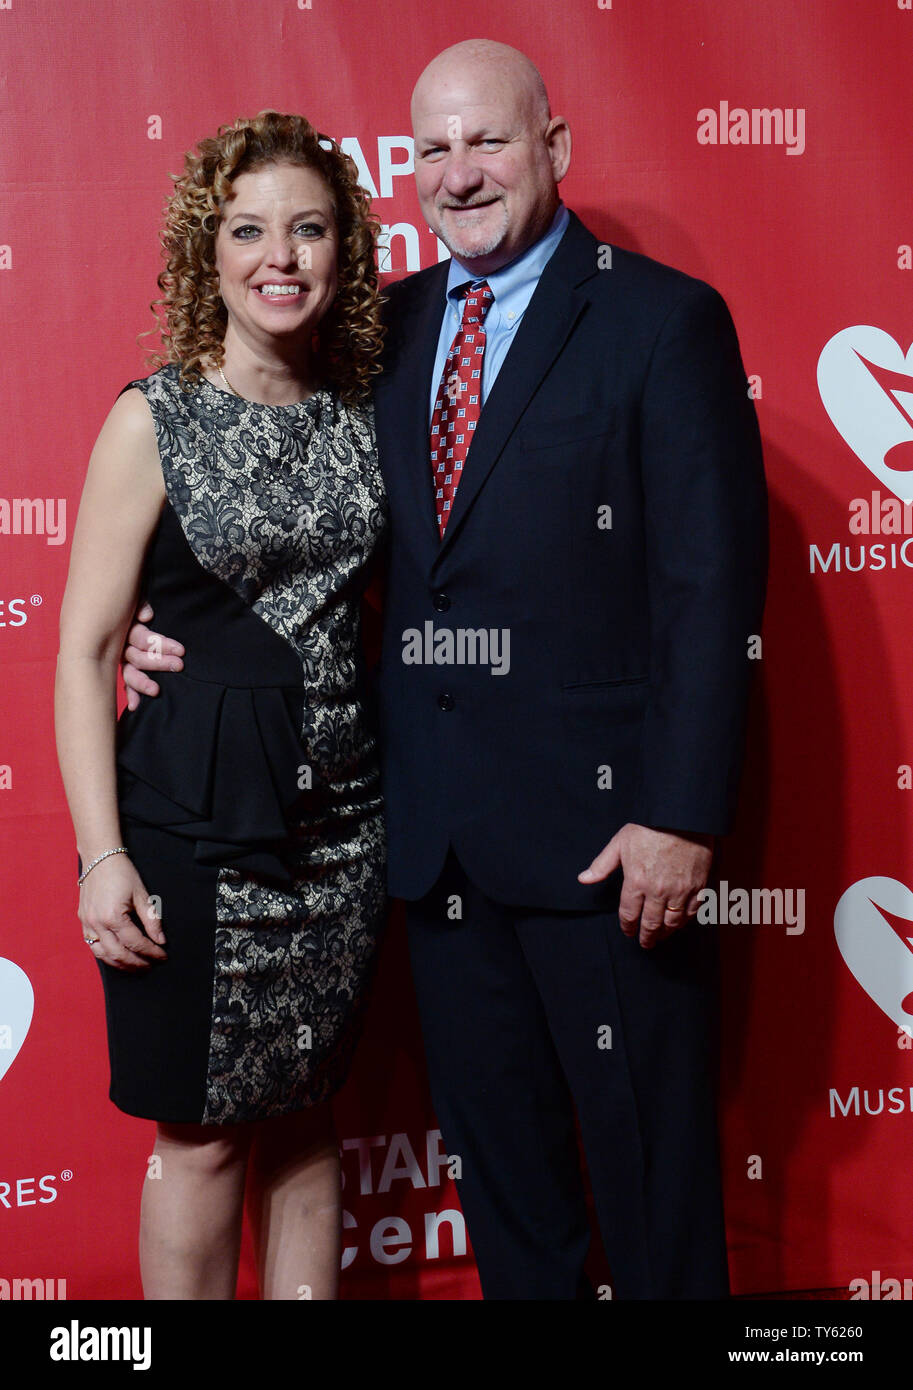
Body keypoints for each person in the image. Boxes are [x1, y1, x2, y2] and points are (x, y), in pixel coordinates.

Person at [123, 41, 768, 1299]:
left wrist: (680, 815)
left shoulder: (661, 319)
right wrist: (163, 625)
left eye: (489, 141)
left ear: (555, 148)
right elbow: (281, 513)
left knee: (653, 1186)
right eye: (431, 149)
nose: (459, 173)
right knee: (508, 1189)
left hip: (608, 846)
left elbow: (708, 594)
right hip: (435, 849)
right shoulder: (392, 331)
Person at [55, 111, 388, 1300]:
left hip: (341, 831)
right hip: (193, 831)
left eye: (307, 227)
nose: (279, 256)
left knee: (306, 1118)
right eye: (248, 230)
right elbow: (87, 649)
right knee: (197, 1138)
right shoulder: (152, 419)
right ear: (210, 252)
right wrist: (102, 857)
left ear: (345, 248)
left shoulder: (367, 406)